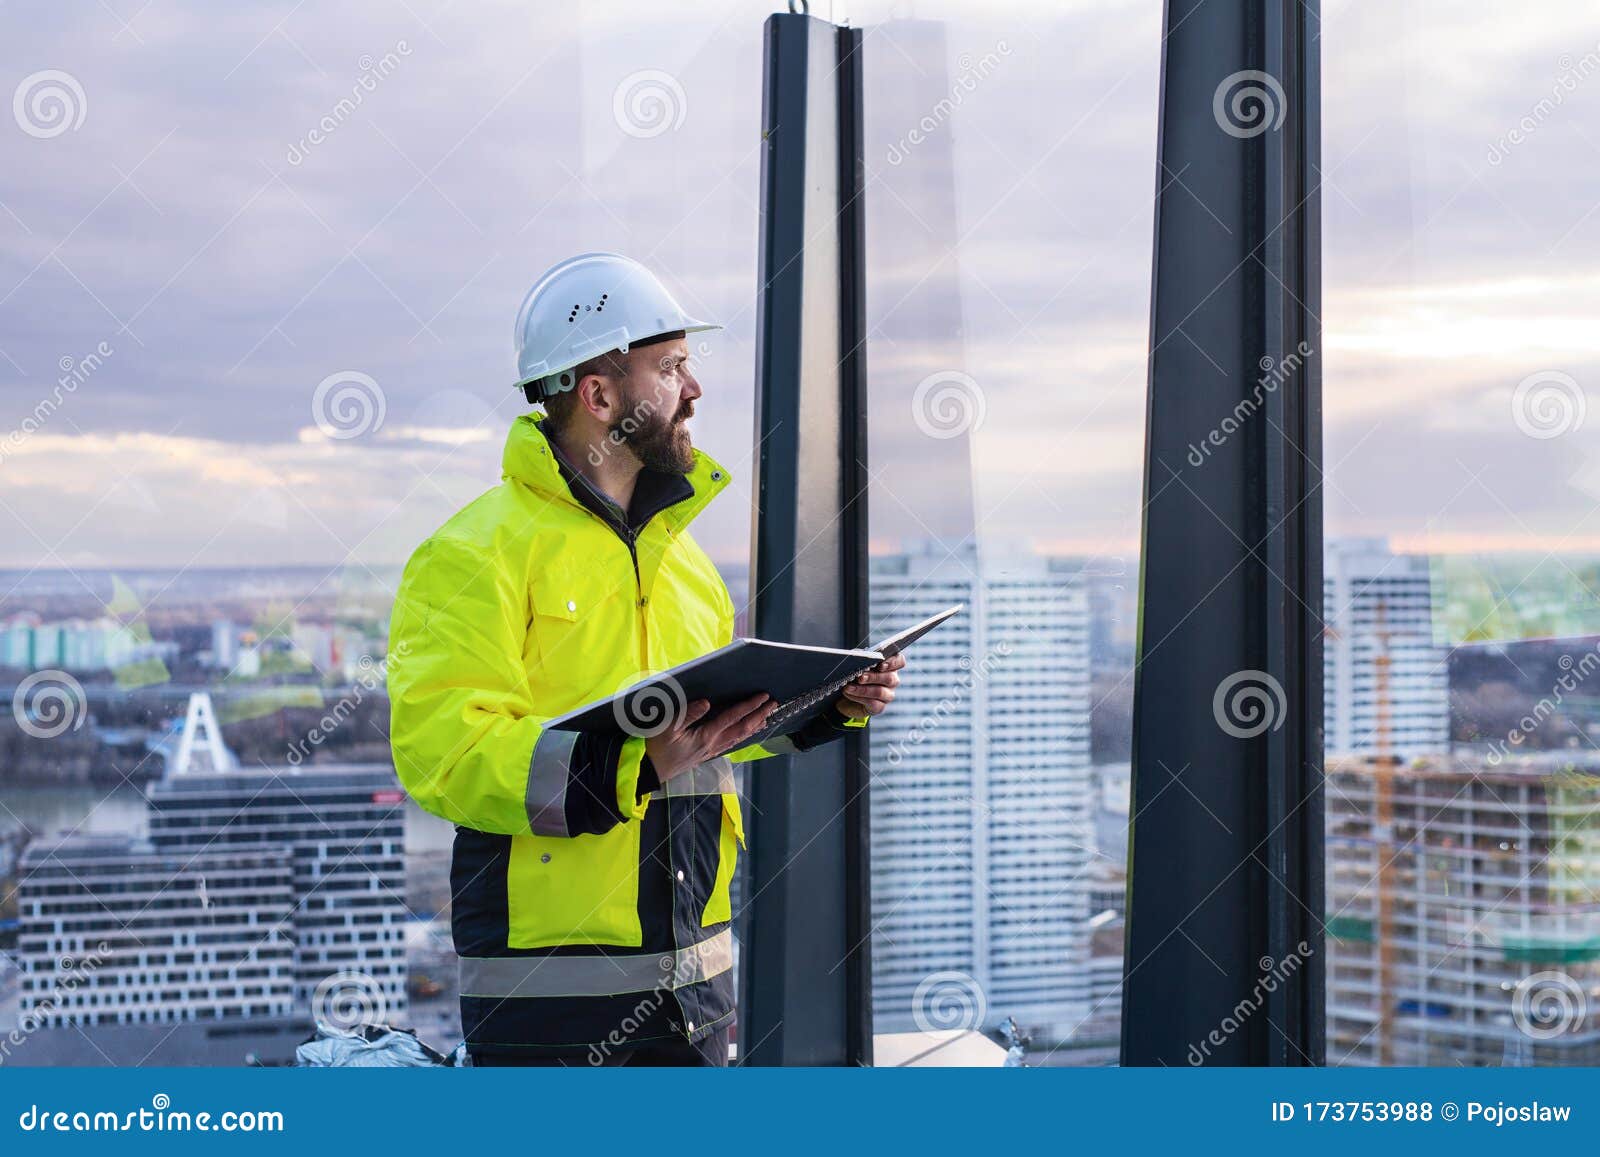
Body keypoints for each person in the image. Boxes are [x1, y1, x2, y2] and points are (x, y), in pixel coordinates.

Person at [387, 252, 907, 1067]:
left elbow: (712, 736)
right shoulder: (473, 552)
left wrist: (830, 703)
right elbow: (444, 751)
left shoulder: (685, 565)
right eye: (670, 368)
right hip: (553, 996)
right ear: (600, 397)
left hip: (697, 984)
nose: (694, 389)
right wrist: (629, 768)